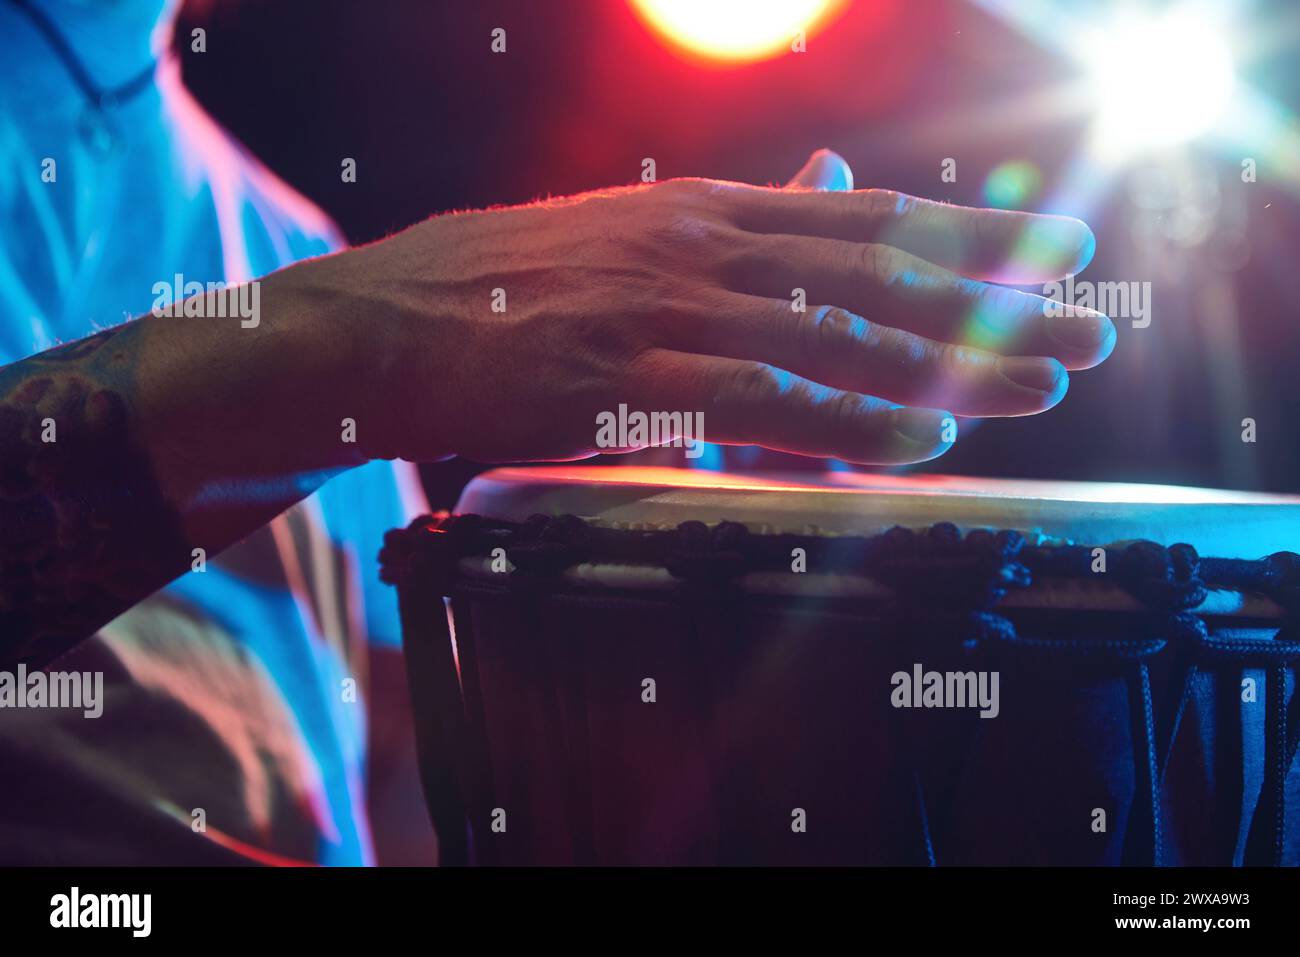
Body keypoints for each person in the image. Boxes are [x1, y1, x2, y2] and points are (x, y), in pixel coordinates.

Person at [0, 1, 1114, 864]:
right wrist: (373, 341)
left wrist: (623, 584)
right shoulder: (327, 286)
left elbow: (396, 789)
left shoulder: (288, 235)